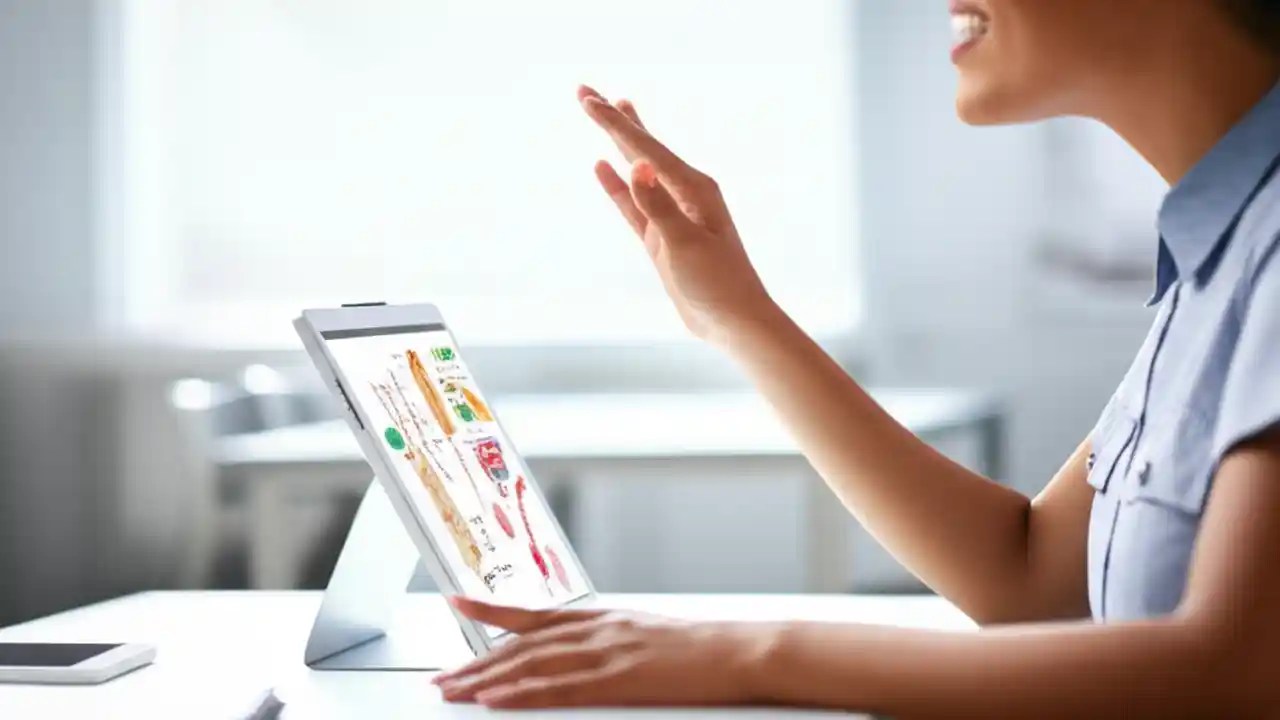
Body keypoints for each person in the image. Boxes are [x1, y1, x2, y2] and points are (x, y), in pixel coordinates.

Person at [432, 0, 1280, 714]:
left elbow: (1232, 670)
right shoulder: (1224, 250)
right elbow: (1028, 581)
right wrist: (742, 319)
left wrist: (742, 653)